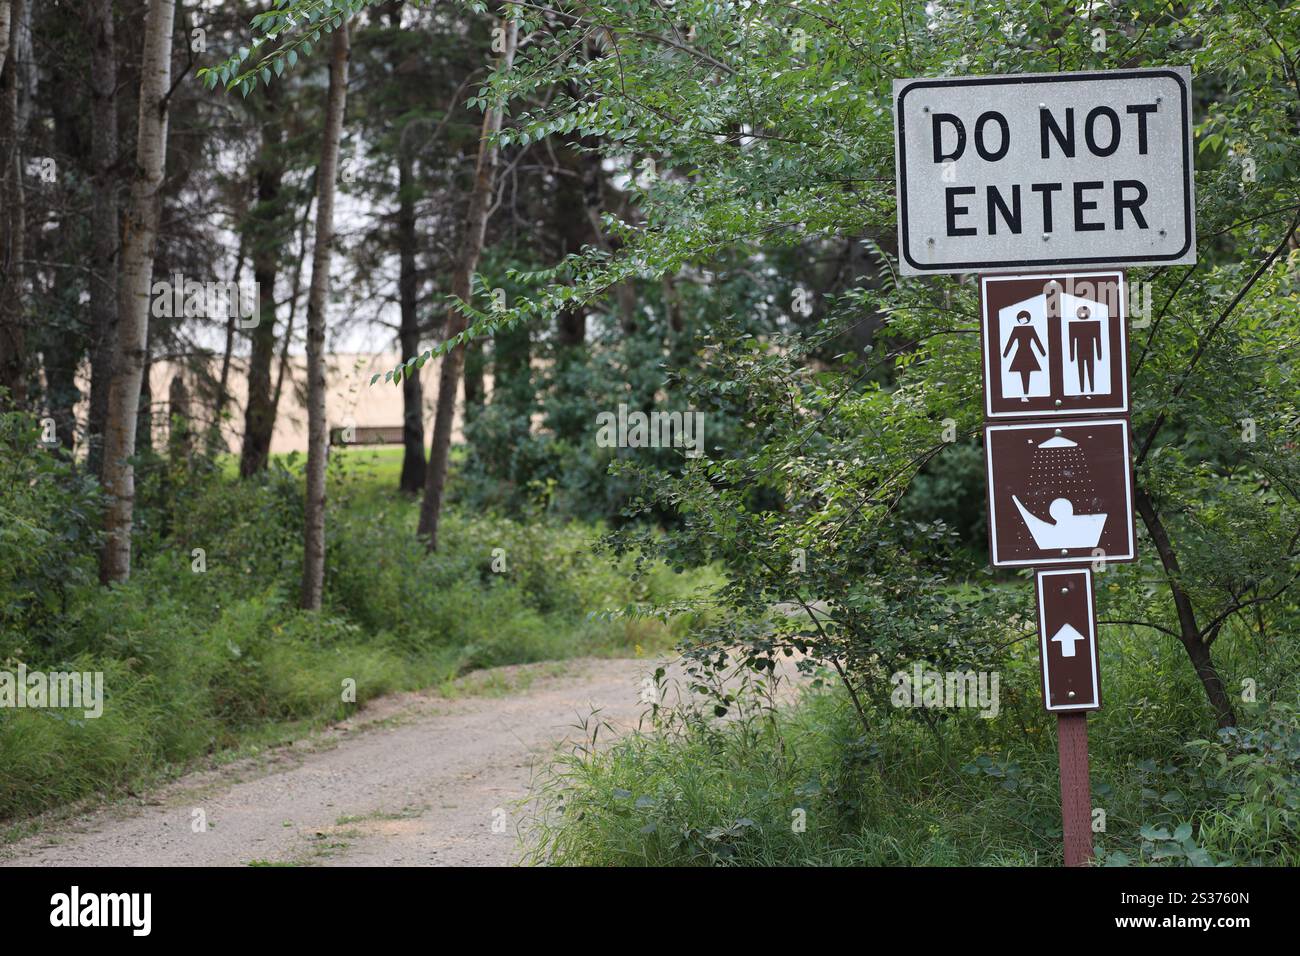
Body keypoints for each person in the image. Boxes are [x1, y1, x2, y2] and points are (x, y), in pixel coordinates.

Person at [1003, 310, 1046, 397]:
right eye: (1021, 319)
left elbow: (1037, 341)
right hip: (1020, 353)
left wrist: (1043, 353)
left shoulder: (1030, 329)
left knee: (1027, 372)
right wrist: (1005, 354)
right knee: (1023, 372)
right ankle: (1025, 392)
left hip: (1028, 353)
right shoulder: (1016, 329)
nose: (1023, 320)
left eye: (1024, 318)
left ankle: (1026, 392)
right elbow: (1010, 342)